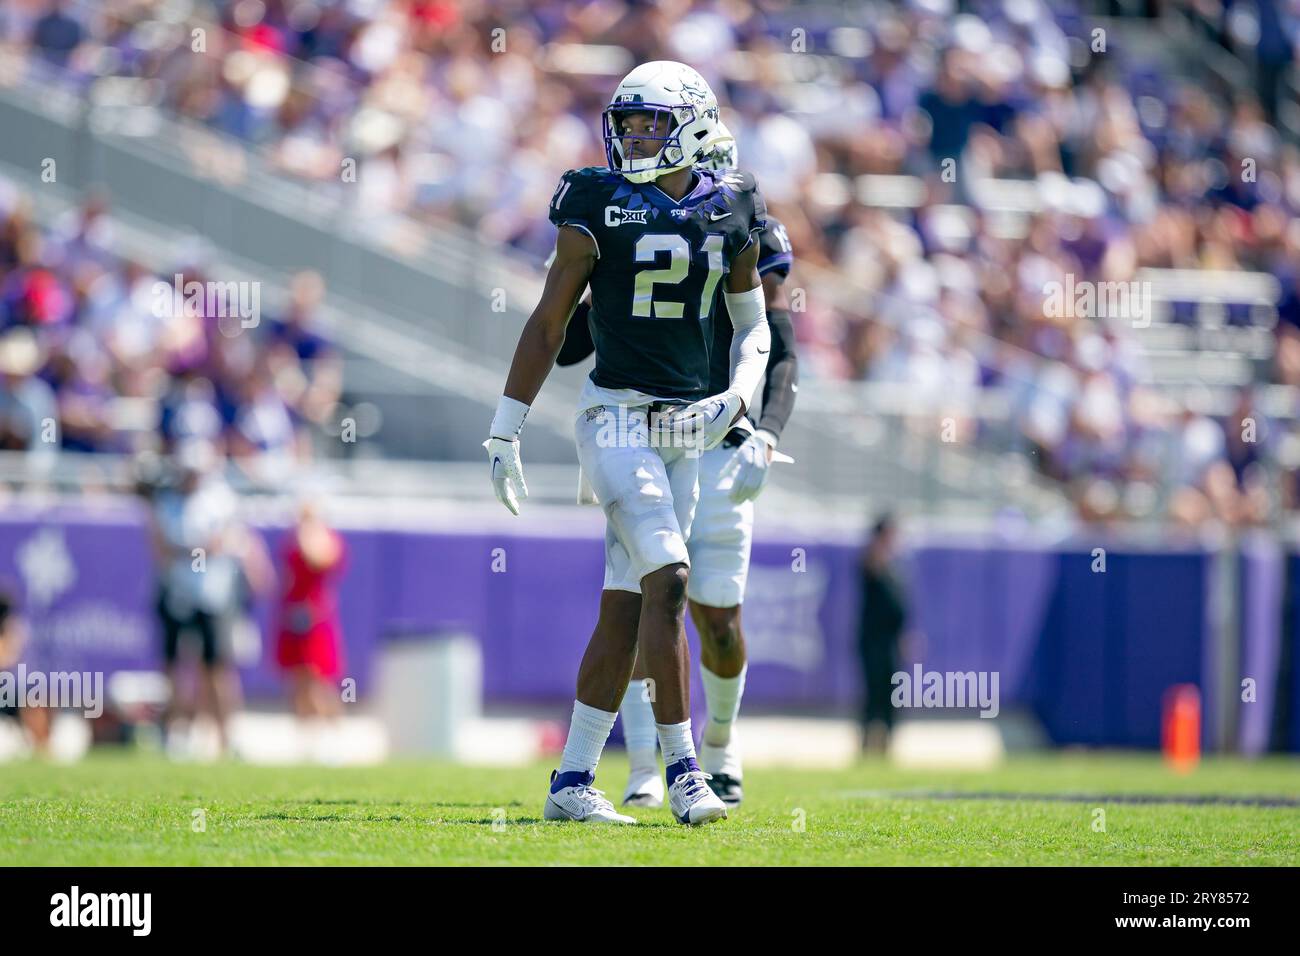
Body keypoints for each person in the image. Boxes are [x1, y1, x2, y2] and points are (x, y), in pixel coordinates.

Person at [485, 61, 770, 825]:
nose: (636, 136)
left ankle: (572, 780)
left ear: (695, 127)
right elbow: (550, 322)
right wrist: (505, 427)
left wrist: (737, 402)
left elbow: (756, 330)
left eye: (653, 123)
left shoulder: (733, 205)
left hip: (685, 427)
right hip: (613, 417)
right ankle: (683, 773)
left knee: (624, 607)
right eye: (629, 122)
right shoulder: (595, 200)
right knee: (671, 579)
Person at [557, 126, 799, 809]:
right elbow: (574, 345)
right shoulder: (633, 226)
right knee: (649, 592)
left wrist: (767, 432)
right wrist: (598, 277)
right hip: (651, 429)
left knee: (715, 617)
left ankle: (717, 744)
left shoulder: (745, 227)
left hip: (723, 442)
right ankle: (644, 770)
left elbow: (778, 342)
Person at [149, 440, 271, 759]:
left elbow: (226, 541)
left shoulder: (220, 500)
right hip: (177, 591)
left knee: (218, 667)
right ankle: (174, 733)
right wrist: (198, 549)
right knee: (175, 665)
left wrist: (191, 550)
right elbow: (162, 549)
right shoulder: (166, 502)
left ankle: (227, 737)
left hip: (213, 593)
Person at [274, 501, 346, 754]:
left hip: (315, 616)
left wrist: (309, 531)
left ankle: (334, 736)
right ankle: (307, 739)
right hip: (294, 614)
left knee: (320, 680)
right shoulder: (293, 538)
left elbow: (318, 560)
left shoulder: (324, 538)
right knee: (298, 680)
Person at [859, 515, 908, 753]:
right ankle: (868, 744)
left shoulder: (894, 567)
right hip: (873, 641)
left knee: (891, 695)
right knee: (873, 693)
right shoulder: (872, 560)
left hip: (890, 641)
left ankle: (886, 745)